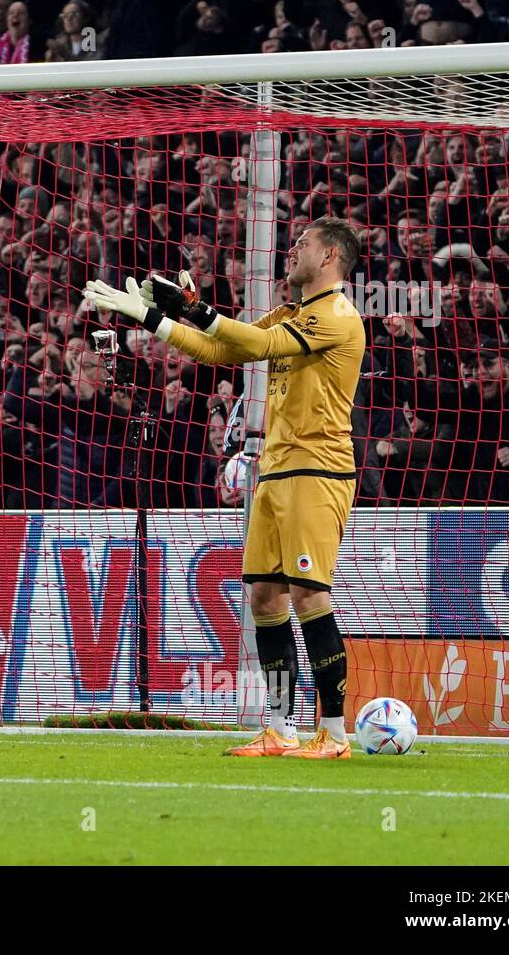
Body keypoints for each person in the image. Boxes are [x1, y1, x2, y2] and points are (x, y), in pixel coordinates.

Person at [86, 215, 365, 759]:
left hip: (318, 468)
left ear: (330, 257)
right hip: (277, 468)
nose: (292, 249)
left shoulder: (336, 315)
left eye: (303, 243)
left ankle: (333, 734)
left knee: (310, 594)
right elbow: (223, 350)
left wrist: (194, 308)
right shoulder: (292, 313)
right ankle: (281, 728)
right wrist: (151, 318)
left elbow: (253, 343)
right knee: (264, 598)